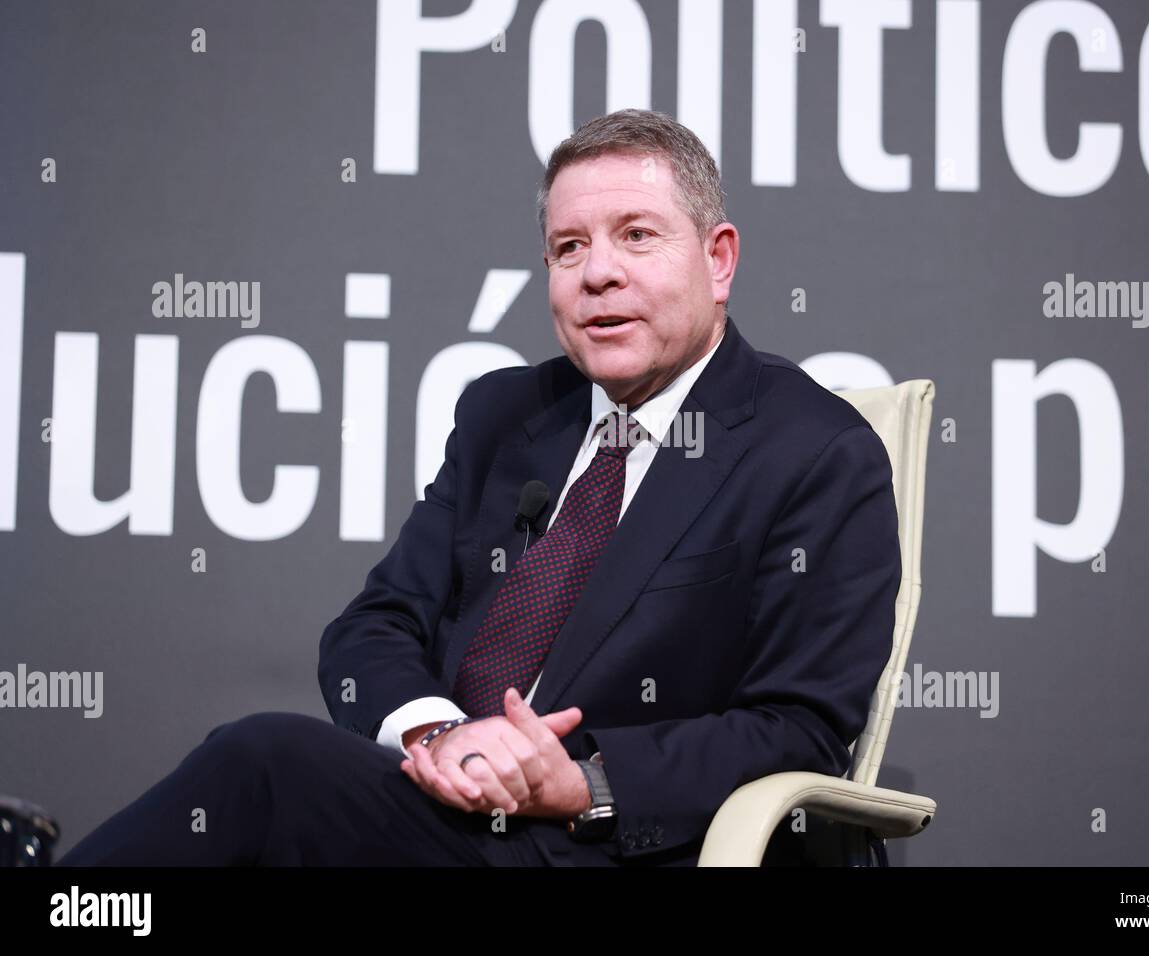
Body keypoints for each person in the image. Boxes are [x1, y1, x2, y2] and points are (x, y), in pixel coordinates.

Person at [57, 108, 900, 867]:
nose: (596, 274)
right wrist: (441, 734)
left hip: (604, 846)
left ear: (718, 261)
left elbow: (800, 729)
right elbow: (375, 625)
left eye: (636, 236)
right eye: (570, 248)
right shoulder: (509, 415)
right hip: (442, 812)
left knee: (265, 765)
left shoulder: (816, 451)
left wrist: (579, 782)